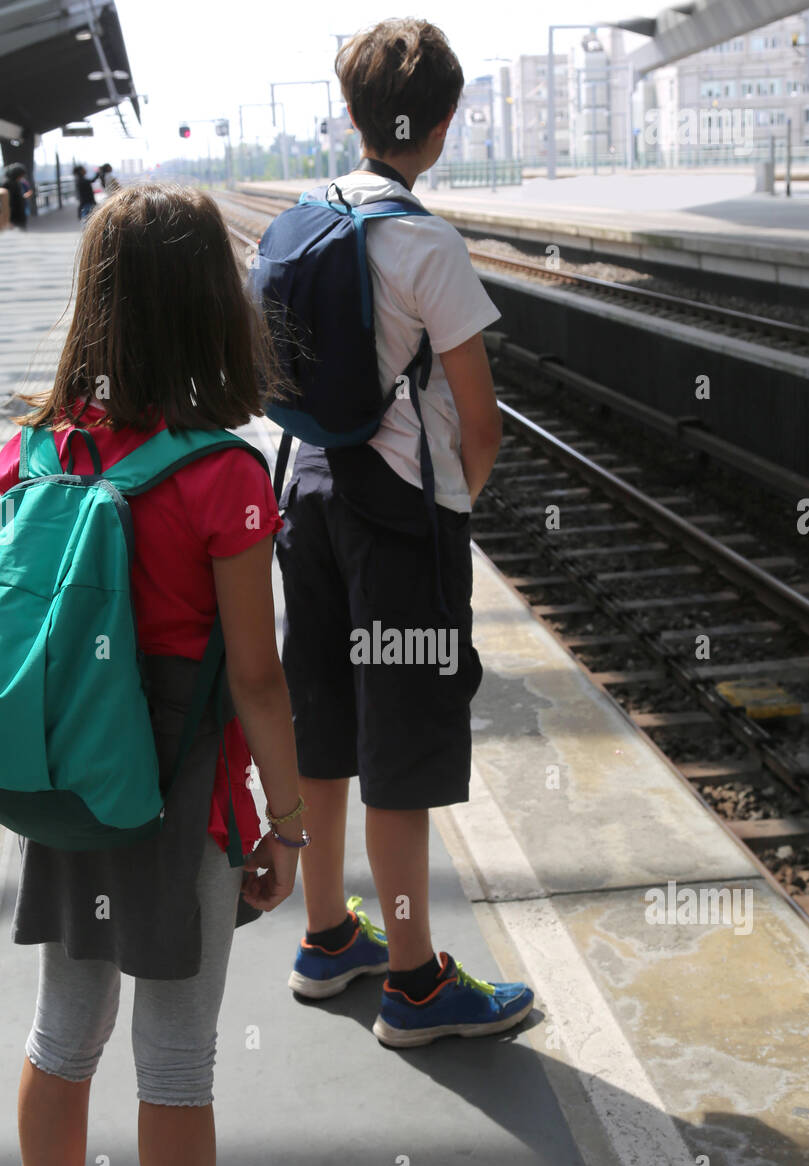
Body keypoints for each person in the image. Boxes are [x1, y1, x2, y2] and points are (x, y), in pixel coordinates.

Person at [0, 184, 308, 1166]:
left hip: (67, 793)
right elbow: (256, 676)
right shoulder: (223, 477)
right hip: (183, 807)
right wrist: (290, 826)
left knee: (63, 1027)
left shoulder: (30, 452)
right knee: (176, 1057)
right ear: (211, 311)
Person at [273, 18, 535, 1044]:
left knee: (327, 718)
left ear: (350, 116)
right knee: (401, 744)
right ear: (442, 126)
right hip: (394, 523)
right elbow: (480, 424)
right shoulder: (424, 243)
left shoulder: (299, 219)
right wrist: (446, 520)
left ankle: (329, 935)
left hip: (305, 496)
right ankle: (417, 984)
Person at [3, 163, 33, 229]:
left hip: (19, 214)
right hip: (13, 216)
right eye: (21, 175)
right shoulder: (8, 184)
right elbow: (10, 202)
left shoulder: (17, 183)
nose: (22, 177)